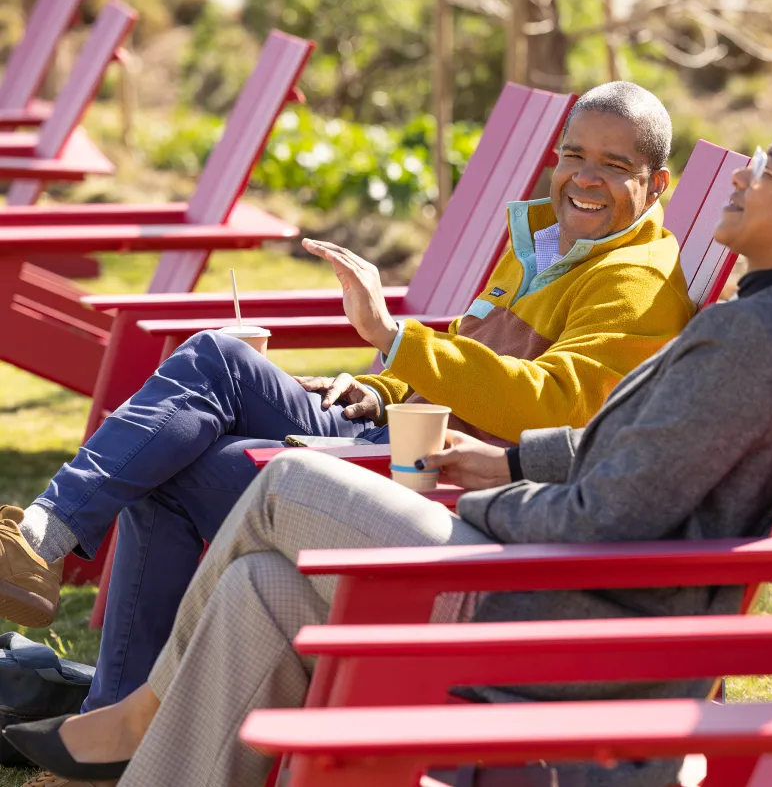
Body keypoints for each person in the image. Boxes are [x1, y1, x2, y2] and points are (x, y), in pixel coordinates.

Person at [2, 109, 772, 787]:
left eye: (765, 169)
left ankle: (139, 713)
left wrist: (474, 502)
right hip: (555, 585)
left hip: (561, 624)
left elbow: (611, 518)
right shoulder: (766, 321)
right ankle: (147, 747)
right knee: (258, 585)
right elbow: (634, 457)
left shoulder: (755, 345)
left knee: (287, 483)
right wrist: (511, 462)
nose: (739, 172)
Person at [0, 81, 695, 720]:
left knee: (188, 435)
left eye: (613, 163)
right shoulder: (547, 240)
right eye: (573, 154)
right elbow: (467, 353)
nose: (585, 176)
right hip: (391, 433)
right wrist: (380, 382)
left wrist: (393, 338)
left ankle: (63, 596)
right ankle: (78, 628)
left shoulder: (632, 281)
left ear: (656, 182)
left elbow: (555, 406)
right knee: (217, 365)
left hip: (437, 483)